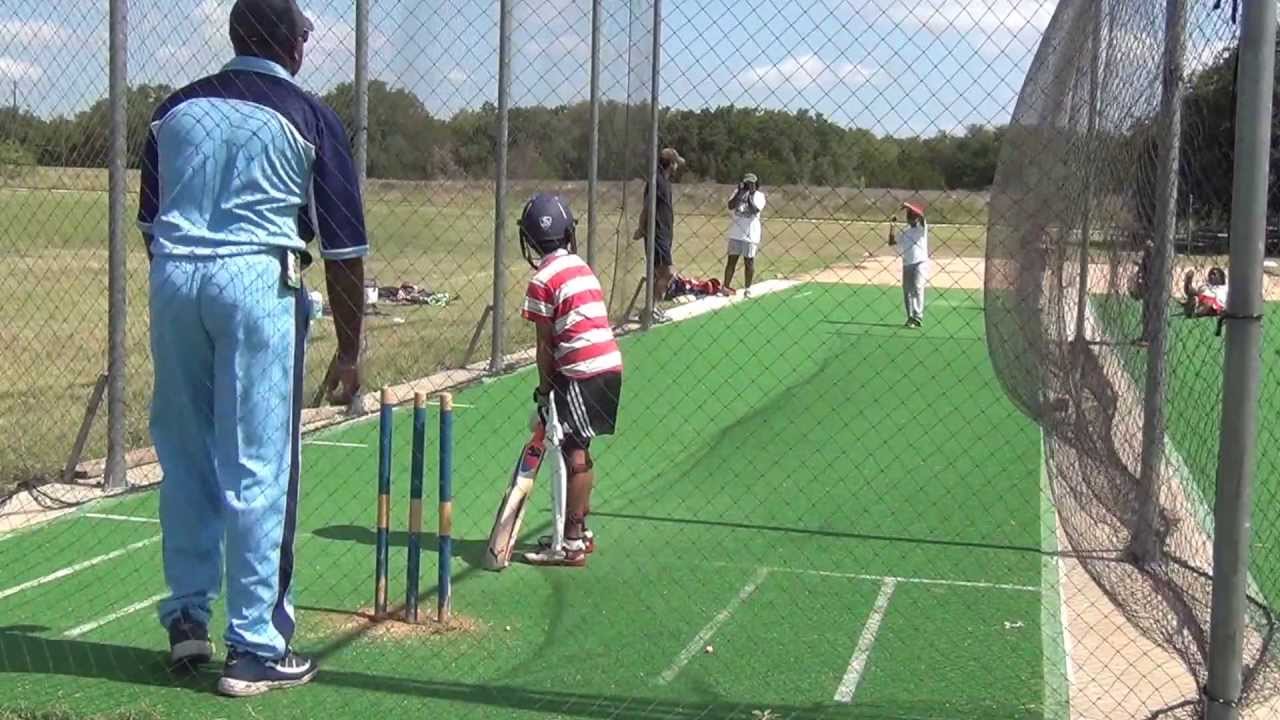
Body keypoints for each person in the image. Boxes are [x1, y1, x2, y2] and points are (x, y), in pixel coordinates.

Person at [137, 0, 367, 697]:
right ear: (290, 45)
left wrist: (186, 279)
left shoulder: (173, 110)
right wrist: (350, 350)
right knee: (261, 464)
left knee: (184, 452)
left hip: (175, 279)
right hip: (256, 279)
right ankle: (256, 646)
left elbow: (150, 222)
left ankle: (186, 617)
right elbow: (345, 251)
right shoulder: (310, 117)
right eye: (304, 35)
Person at [519, 193, 623, 567]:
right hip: (608, 364)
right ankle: (578, 530)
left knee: (573, 451)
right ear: (567, 232)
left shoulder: (541, 280)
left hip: (580, 370)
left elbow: (545, 346)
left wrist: (545, 390)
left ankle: (571, 542)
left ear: (530, 239)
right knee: (580, 445)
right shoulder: (581, 267)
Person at [633, 147, 685, 323]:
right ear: (671, 164)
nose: (677, 167)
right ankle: (651, 308)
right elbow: (648, 206)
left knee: (659, 274)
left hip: (663, 234)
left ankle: (651, 308)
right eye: (676, 163)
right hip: (657, 234)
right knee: (668, 272)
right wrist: (642, 228)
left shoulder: (663, 181)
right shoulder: (658, 182)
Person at [721, 173, 766, 297]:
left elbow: (755, 210)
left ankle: (748, 288)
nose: (748, 185)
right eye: (747, 183)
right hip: (736, 233)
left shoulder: (759, 196)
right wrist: (739, 193)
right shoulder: (737, 192)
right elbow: (730, 206)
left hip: (750, 235)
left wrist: (750, 195)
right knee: (731, 261)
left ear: (756, 184)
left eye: (751, 183)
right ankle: (726, 287)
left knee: (749, 262)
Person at [888, 201, 929, 327]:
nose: (911, 219)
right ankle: (910, 317)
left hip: (920, 263)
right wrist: (892, 226)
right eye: (909, 217)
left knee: (918, 288)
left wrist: (909, 206)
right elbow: (891, 242)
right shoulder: (905, 232)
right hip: (907, 264)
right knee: (907, 291)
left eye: (912, 216)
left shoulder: (922, 229)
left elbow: (922, 215)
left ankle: (918, 316)